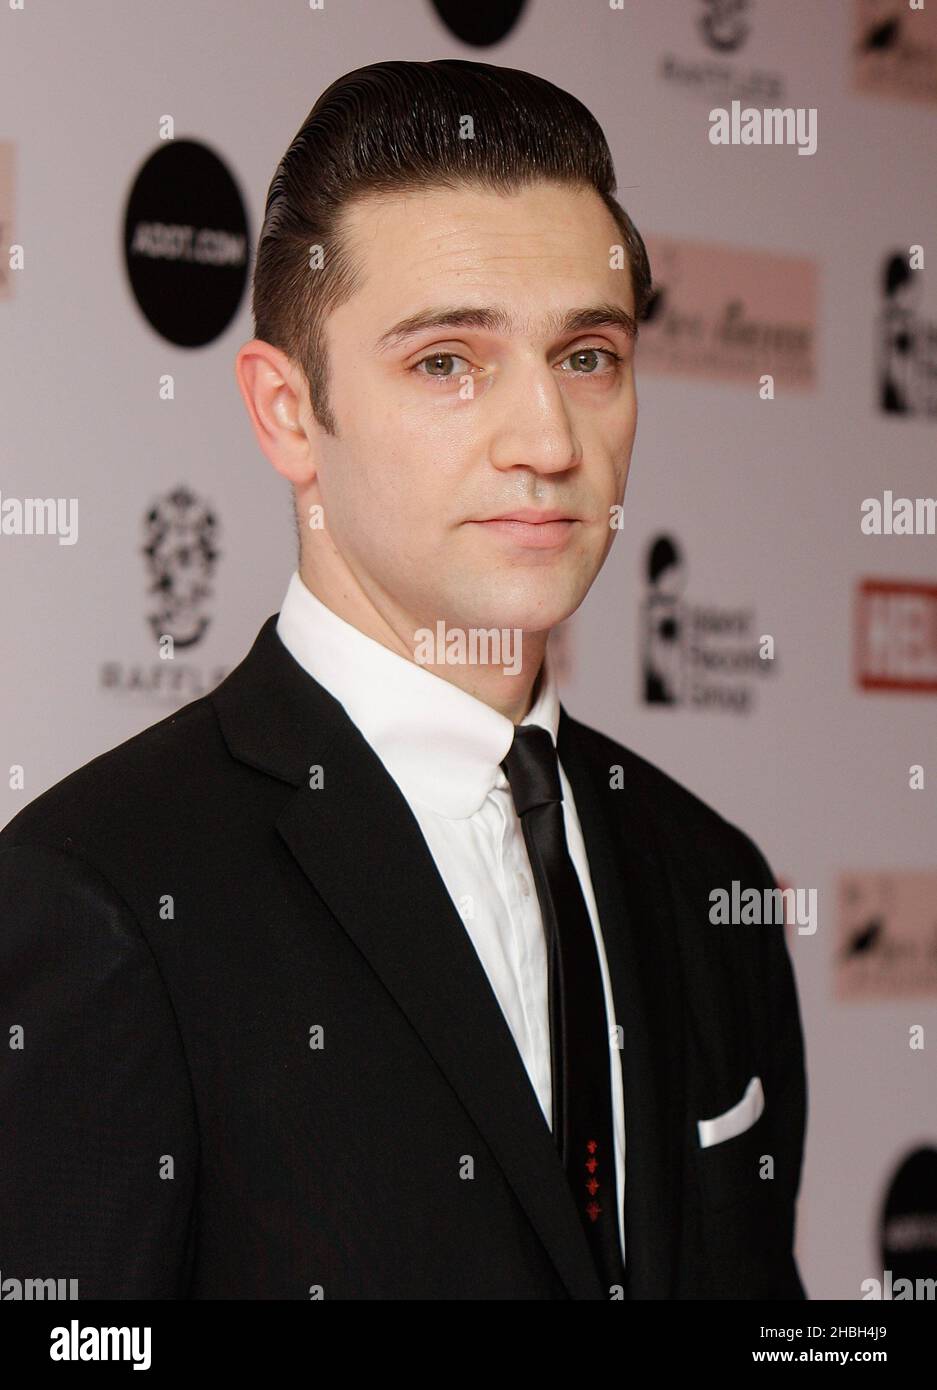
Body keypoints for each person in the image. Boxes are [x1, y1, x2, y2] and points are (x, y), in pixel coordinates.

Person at [0, 58, 807, 1299]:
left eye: (586, 355)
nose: (546, 442)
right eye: (447, 362)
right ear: (285, 413)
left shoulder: (712, 878)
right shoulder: (102, 898)